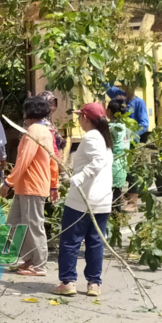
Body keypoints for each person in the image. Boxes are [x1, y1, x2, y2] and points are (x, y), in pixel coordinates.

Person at [53, 103, 114, 297]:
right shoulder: (105, 138)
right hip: (102, 200)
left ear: (86, 118)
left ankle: (68, 281)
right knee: (95, 242)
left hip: (83, 199)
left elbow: (97, 162)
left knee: (71, 241)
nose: (79, 119)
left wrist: (79, 176)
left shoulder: (92, 137)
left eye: (80, 116)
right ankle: (93, 283)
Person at [1, 97, 59, 277]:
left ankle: (40, 264)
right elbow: (53, 161)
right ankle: (29, 258)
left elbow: (24, 160)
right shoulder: (46, 131)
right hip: (26, 186)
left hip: (32, 185)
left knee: (33, 226)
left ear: (27, 113)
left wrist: (8, 182)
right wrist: (53, 185)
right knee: (14, 224)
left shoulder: (33, 131)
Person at [107, 98, 132, 212]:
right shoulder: (126, 128)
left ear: (110, 111)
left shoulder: (111, 128)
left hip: (111, 166)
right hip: (122, 165)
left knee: (109, 200)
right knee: (117, 197)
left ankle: (113, 224)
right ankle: (117, 222)